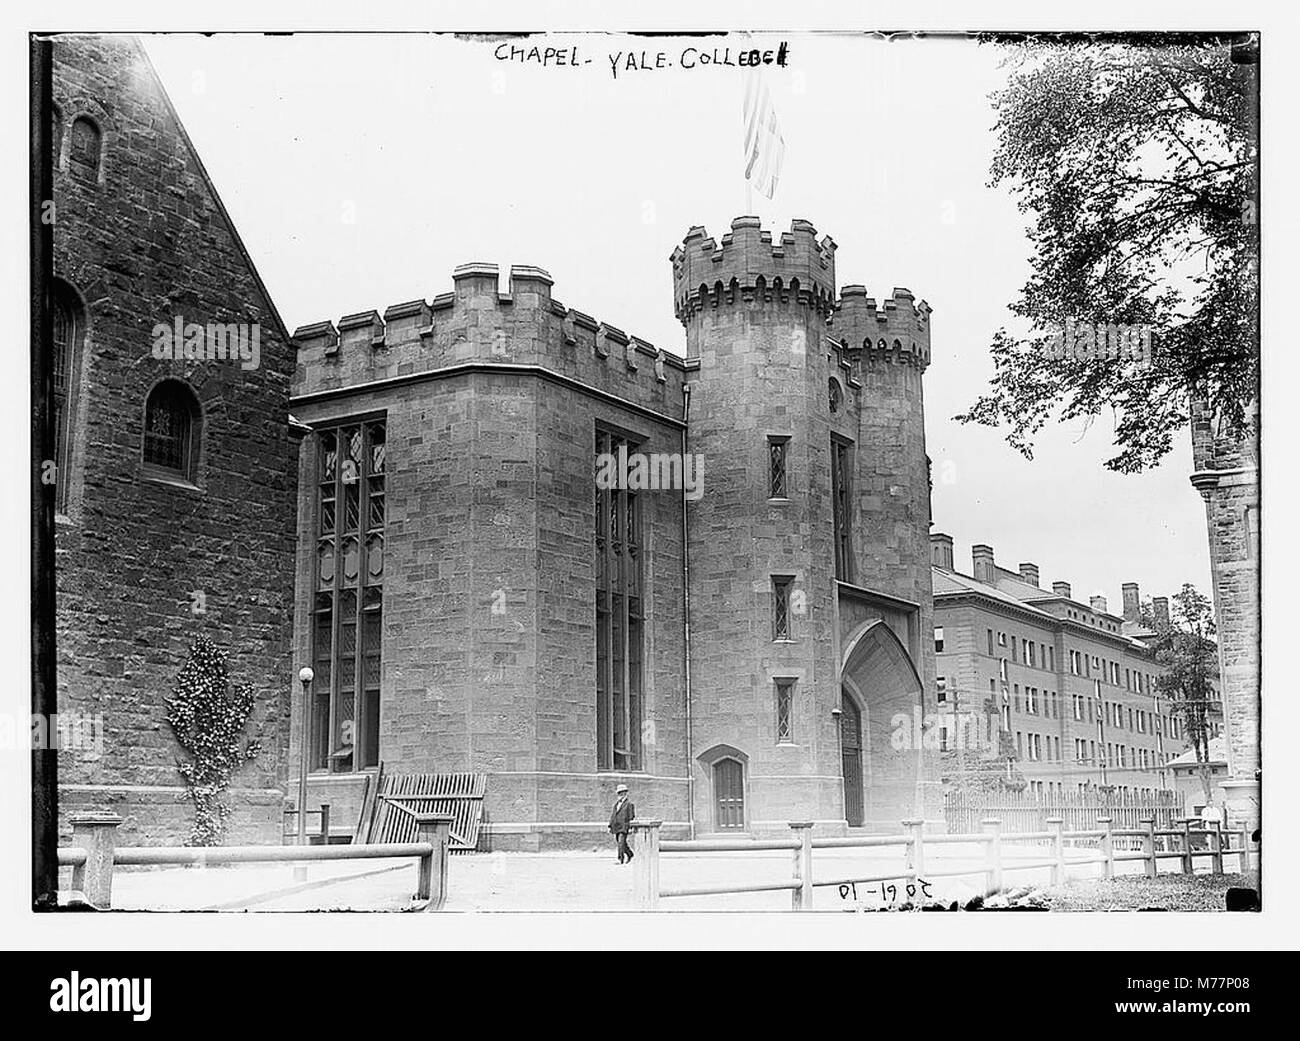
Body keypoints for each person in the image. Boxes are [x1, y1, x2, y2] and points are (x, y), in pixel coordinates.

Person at [608, 784, 635, 864]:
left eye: (622, 793)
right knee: (621, 843)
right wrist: (610, 826)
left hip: (624, 826)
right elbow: (613, 816)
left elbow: (631, 816)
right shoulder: (616, 804)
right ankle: (630, 854)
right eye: (619, 793)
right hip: (616, 827)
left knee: (621, 842)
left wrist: (630, 827)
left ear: (626, 793)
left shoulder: (629, 804)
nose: (621, 795)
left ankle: (620, 859)